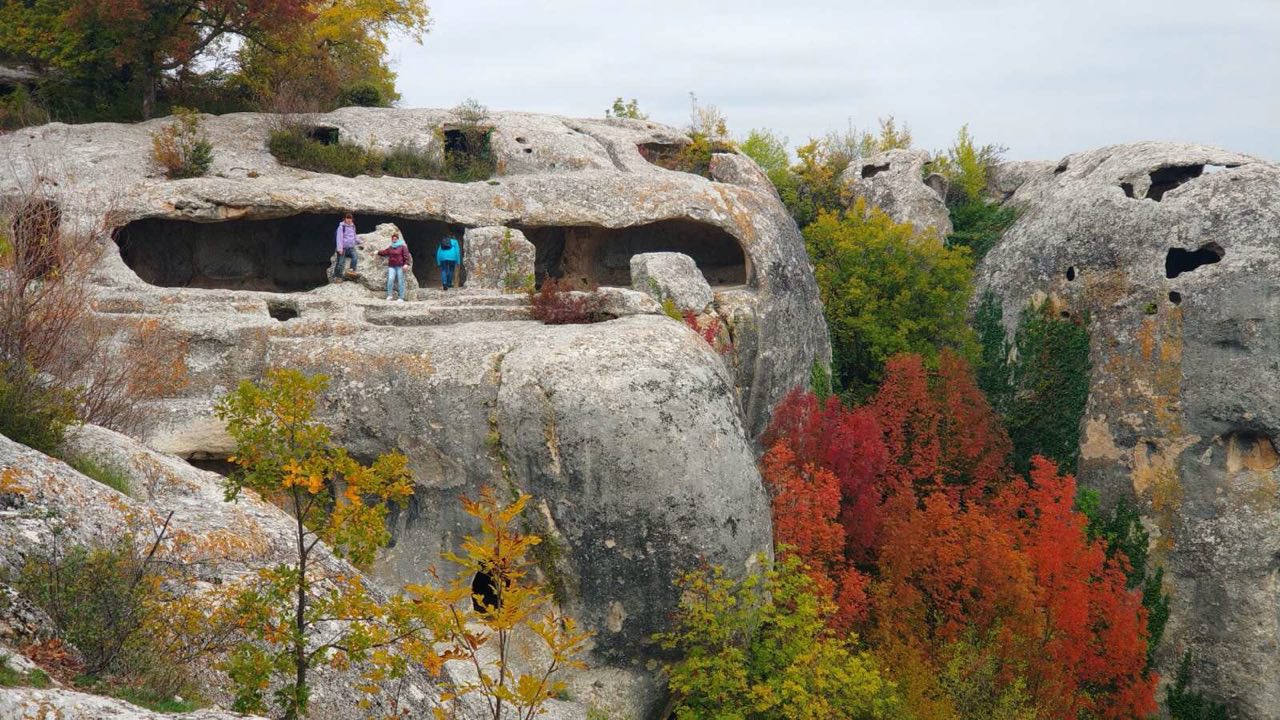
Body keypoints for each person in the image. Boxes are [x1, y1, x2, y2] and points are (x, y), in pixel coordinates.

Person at [377, 230, 412, 302]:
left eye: (395, 239)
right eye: (393, 239)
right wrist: (377, 252)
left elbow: (406, 255)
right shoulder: (391, 247)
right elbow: (384, 252)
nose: (394, 240)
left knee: (400, 281)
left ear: (398, 239)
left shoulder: (402, 246)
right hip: (392, 266)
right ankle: (390, 295)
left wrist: (406, 264)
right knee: (390, 279)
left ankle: (401, 297)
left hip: (400, 266)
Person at [332, 212, 361, 282]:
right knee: (340, 262)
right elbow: (339, 238)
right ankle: (338, 277)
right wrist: (339, 248)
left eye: (350, 218)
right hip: (343, 248)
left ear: (352, 219)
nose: (349, 220)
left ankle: (351, 271)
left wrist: (358, 241)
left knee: (355, 257)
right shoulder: (341, 227)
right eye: (347, 218)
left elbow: (354, 235)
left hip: (350, 247)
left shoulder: (353, 226)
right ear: (344, 219)